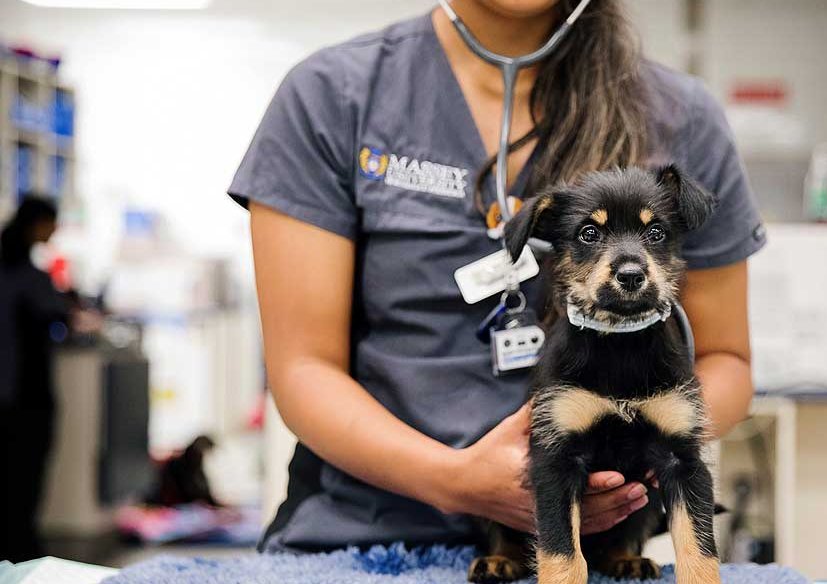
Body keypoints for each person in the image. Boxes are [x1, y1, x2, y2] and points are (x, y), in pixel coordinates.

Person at [231, 0, 765, 553]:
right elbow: (304, 368)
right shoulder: (331, 96)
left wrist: (640, 444)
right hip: (365, 539)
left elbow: (726, 359)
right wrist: (454, 481)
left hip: (594, 550)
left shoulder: (681, 117)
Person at [0, 197, 69, 561]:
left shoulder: (16, 267)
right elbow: (55, 317)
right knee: (25, 477)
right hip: (25, 395)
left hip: (12, 393)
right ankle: (21, 549)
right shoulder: (28, 276)